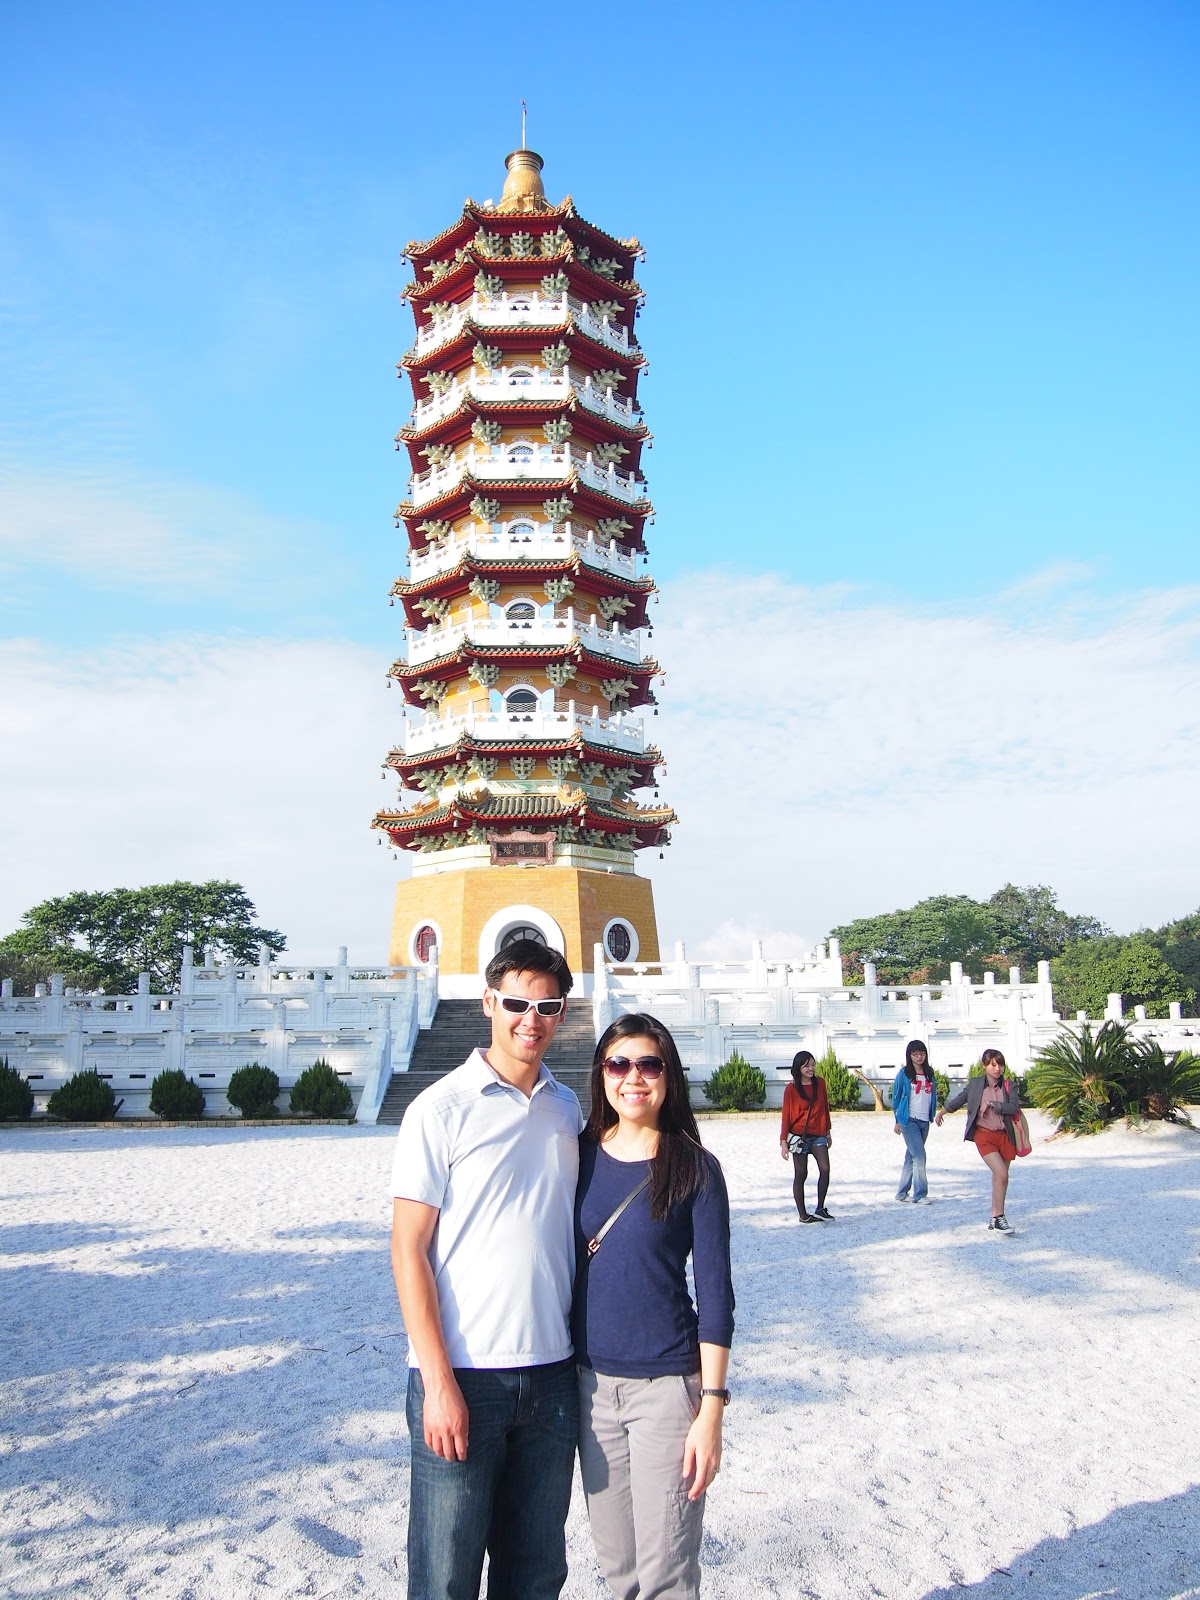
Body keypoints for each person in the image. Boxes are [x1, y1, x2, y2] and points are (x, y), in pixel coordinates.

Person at [389, 938, 582, 1600]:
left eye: (549, 1005)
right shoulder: (438, 1109)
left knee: (535, 1575)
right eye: (518, 1002)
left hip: (553, 1378)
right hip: (463, 1376)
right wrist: (438, 1383)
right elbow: (408, 1248)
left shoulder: (566, 1107)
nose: (533, 1019)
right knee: (445, 1575)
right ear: (489, 1001)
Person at [573, 1013, 735, 1600]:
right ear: (602, 1075)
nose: (633, 1078)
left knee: (666, 1574)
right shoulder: (578, 1155)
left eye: (649, 1064)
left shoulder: (694, 1167)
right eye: (619, 1064)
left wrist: (711, 1410)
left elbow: (716, 1298)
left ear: (668, 1075)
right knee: (619, 1569)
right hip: (589, 1388)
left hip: (667, 1389)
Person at [936, 1047, 1022, 1233]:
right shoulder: (976, 1085)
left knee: (999, 1178)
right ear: (984, 1066)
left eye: (1000, 1065)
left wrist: (993, 1104)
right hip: (984, 1135)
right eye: (993, 1064)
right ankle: (1000, 1218)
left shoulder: (1009, 1086)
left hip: (1005, 1134)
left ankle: (995, 1217)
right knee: (1002, 1174)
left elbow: (1013, 1107)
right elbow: (960, 1099)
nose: (997, 1068)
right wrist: (942, 1112)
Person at [779, 1049, 833, 1222]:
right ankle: (803, 1214)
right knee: (801, 1174)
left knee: (825, 1168)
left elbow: (825, 1108)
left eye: (812, 1064)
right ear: (798, 1068)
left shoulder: (820, 1083)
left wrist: (828, 1131)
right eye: (806, 1065)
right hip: (798, 1136)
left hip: (819, 1134)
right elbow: (786, 1115)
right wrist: (783, 1142)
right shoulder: (791, 1088)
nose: (811, 1068)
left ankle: (820, 1208)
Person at [892, 1039, 938, 1204]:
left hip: (924, 1120)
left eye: (922, 1053)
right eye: (915, 1053)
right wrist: (897, 1120)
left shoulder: (930, 1073)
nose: (919, 1057)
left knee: (911, 1157)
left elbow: (932, 1095)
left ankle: (902, 1193)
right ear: (909, 1055)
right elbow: (896, 1098)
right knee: (920, 1156)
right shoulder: (903, 1074)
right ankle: (920, 1194)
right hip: (908, 1120)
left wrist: (934, 1114)